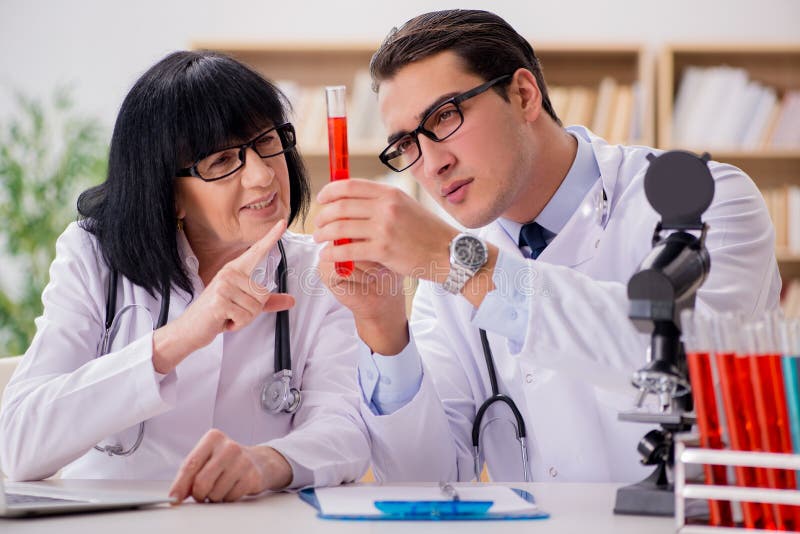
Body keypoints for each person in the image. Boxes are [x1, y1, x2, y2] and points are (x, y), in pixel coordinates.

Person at [312, 9, 781, 483]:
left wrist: (456, 260)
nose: (431, 164)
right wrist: (383, 327)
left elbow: (694, 366)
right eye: (406, 145)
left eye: (445, 116)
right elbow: (427, 478)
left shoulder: (702, 199)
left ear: (523, 95)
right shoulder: (449, 272)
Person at [0, 50, 370, 502]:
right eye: (222, 161)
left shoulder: (319, 270)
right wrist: (181, 336)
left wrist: (268, 462)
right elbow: (18, 445)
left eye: (267, 142)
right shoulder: (94, 257)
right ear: (168, 193)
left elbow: (345, 429)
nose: (262, 176)